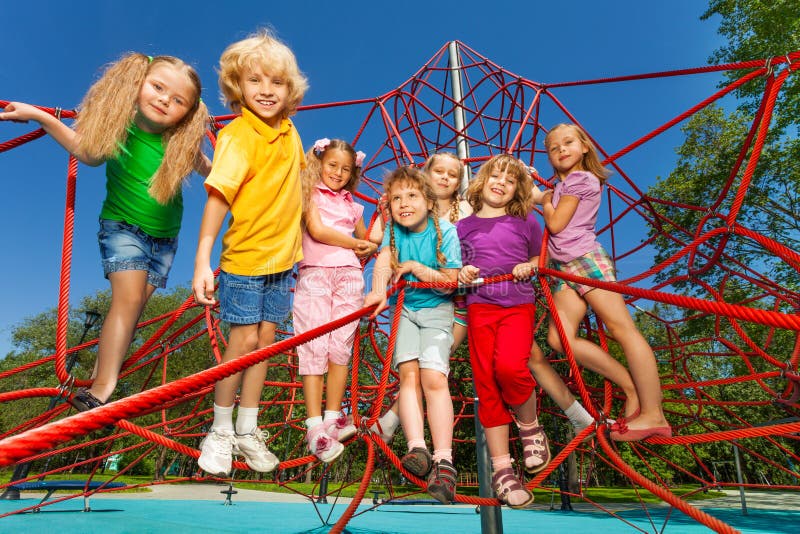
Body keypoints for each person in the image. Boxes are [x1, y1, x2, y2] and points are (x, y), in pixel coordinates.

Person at [0, 53, 209, 411]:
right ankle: (100, 389)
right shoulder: (121, 126)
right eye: (158, 88)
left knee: (133, 312)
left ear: (188, 113)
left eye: (178, 101)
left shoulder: (181, 145)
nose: (164, 100)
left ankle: (102, 370)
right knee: (126, 302)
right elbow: (87, 152)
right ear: (137, 84)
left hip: (164, 242)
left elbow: (217, 173)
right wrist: (39, 116)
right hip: (123, 229)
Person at [192, 30, 308, 476]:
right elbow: (219, 198)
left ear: (290, 90)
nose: (265, 90)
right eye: (254, 81)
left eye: (276, 82)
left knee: (265, 344)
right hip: (244, 259)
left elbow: (293, 191)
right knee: (241, 343)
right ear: (237, 87)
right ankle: (219, 429)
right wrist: (203, 260)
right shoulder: (238, 135)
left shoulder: (291, 132)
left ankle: (247, 428)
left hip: (283, 262)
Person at [531, 123, 671, 442]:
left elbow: (555, 222)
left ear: (584, 146)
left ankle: (654, 412)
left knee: (621, 329)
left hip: (586, 261)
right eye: (554, 147)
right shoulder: (564, 184)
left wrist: (542, 198)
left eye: (568, 142)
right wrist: (542, 191)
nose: (562, 149)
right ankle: (628, 384)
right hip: (564, 268)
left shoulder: (582, 179)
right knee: (558, 340)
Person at [457, 154, 551, 509]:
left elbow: (542, 258)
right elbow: (455, 263)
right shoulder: (463, 227)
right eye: (495, 176)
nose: (500, 183)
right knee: (486, 384)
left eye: (509, 180)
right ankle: (502, 471)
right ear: (482, 181)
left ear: (517, 189)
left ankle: (529, 427)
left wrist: (531, 265)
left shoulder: (526, 221)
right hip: (480, 306)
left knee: (510, 367)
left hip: (516, 304)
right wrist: (462, 271)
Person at [364, 166, 461, 504]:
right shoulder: (393, 230)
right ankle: (417, 447)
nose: (403, 203)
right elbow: (383, 261)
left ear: (429, 202)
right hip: (404, 309)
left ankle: (444, 459)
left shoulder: (445, 231)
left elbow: (451, 281)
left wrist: (419, 269)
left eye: (412, 196)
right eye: (396, 198)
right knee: (408, 376)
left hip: (437, 310)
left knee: (434, 378)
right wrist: (378, 291)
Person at [293, 138, 376, 463]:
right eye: (332, 166)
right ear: (320, 163)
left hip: (349, 276)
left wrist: (371, 236)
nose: (338, 173)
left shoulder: (352, 204)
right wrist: (355, 244)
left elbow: (368, 239)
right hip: (315, 272)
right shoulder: (309, 192)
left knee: (340, 347)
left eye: (345, 168)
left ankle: (333, 416)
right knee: (313, 345)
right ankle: (314, 425)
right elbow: (317, 231)